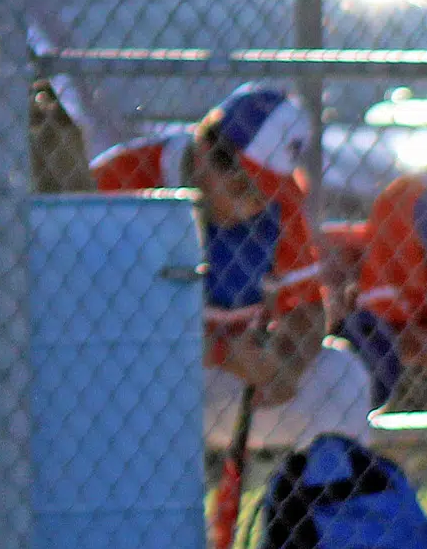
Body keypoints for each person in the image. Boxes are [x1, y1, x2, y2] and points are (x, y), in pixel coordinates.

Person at [91, 83, 371, 451]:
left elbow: (307, 311)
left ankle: (324, 502)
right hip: (127, 383)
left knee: (342, 376)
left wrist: (285, 366)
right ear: (208, 151)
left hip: (221, 381)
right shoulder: (121, 178)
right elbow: (94, 321)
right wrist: (220, 353)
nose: (255, 204)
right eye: (246, 187)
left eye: (266, 191)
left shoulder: (280, 200)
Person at [340, 173, 427, 409]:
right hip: (387, 322)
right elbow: (403, 337)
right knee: (374, 344)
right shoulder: (408, 197)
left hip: (403, 312)